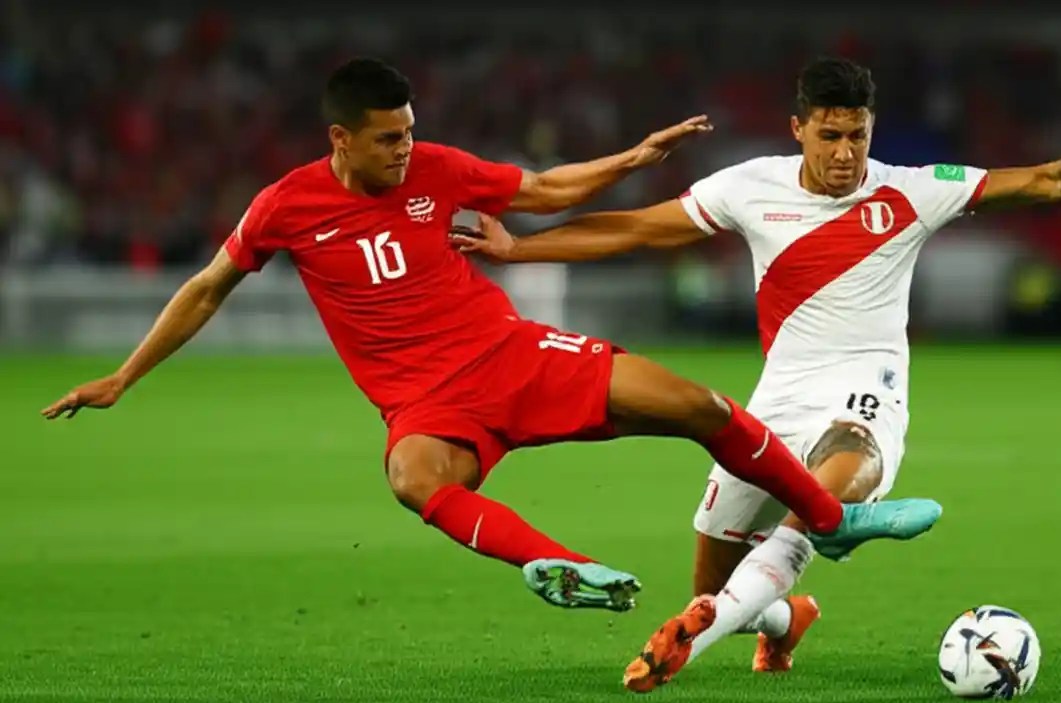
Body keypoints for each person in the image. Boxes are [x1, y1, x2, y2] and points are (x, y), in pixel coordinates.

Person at [452, 57, 1061, 690]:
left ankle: (704, 629)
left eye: (857, 134)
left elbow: (1047, 182)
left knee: (834, 482)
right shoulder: (750, 188)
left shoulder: (913, 190)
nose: (846, 151)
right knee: (721, 580)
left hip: (866, 391)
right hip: (777, 398)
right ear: (800, 130)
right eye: (830, 135)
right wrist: (521, 248)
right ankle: (782, 618)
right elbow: (636, 228)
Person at [41, 57, 890, 616]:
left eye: (409, 131)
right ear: (340, 139)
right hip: (424, 401)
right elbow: (204, 289)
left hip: (511, 354)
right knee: (411, 477)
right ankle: (567, 568)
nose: (406, 149)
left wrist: (628, 162)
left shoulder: (438, 168)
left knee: (699, 405)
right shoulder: (284, 206)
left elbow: (547, 190)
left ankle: (827, 517)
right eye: (387, 139)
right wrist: (125, 376)